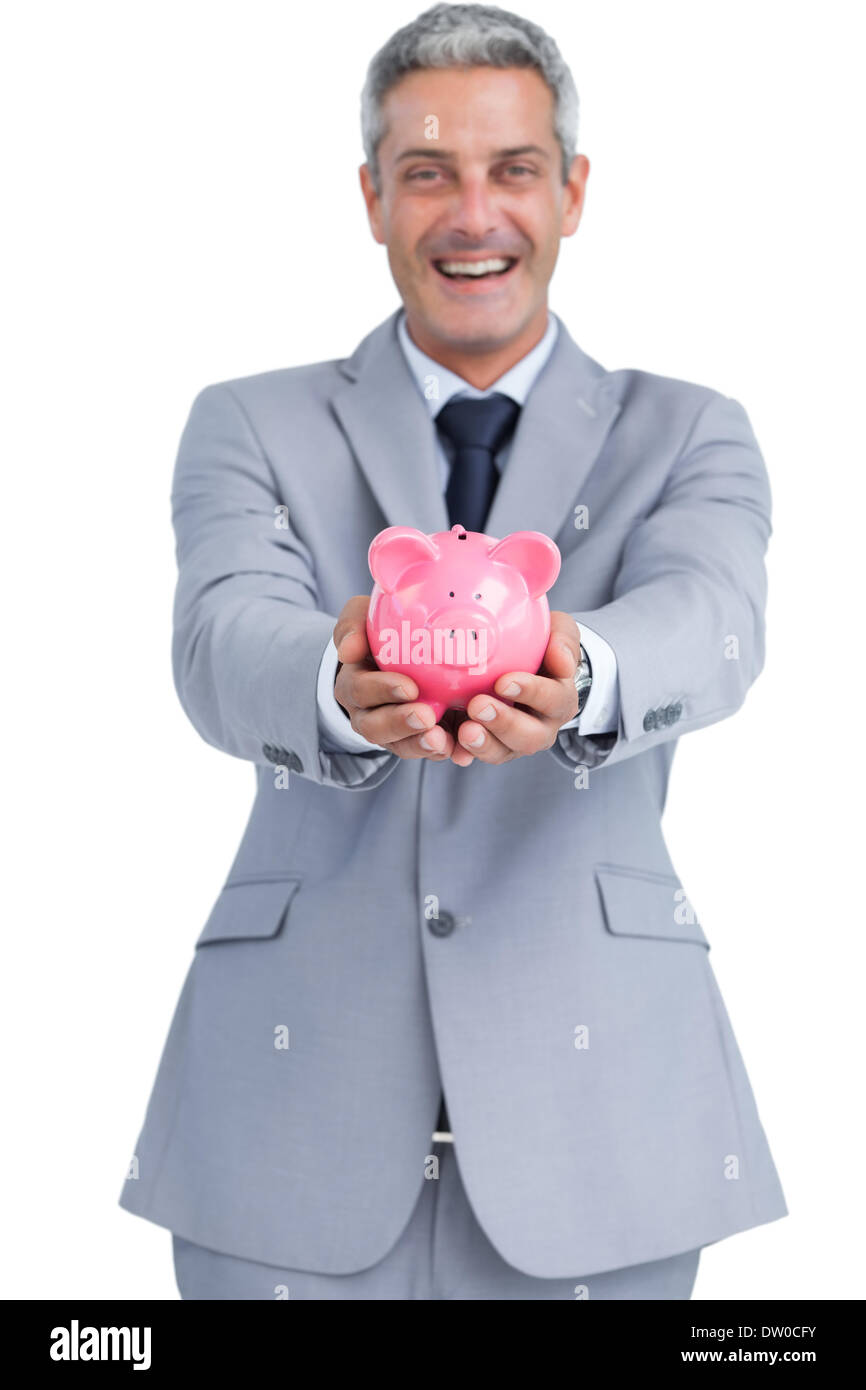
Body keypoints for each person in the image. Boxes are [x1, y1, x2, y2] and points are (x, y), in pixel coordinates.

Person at [119, 2, 787, 1300]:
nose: (472, 213)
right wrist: (338, 675)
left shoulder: (689, 429)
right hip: (286, 1117)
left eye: (511, 169)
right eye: (427, 172)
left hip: (601, 1135)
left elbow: (713, 623)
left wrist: (573, 664)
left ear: (572, 191)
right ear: (371, 198)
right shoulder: (250, 421)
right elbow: (218, 636)